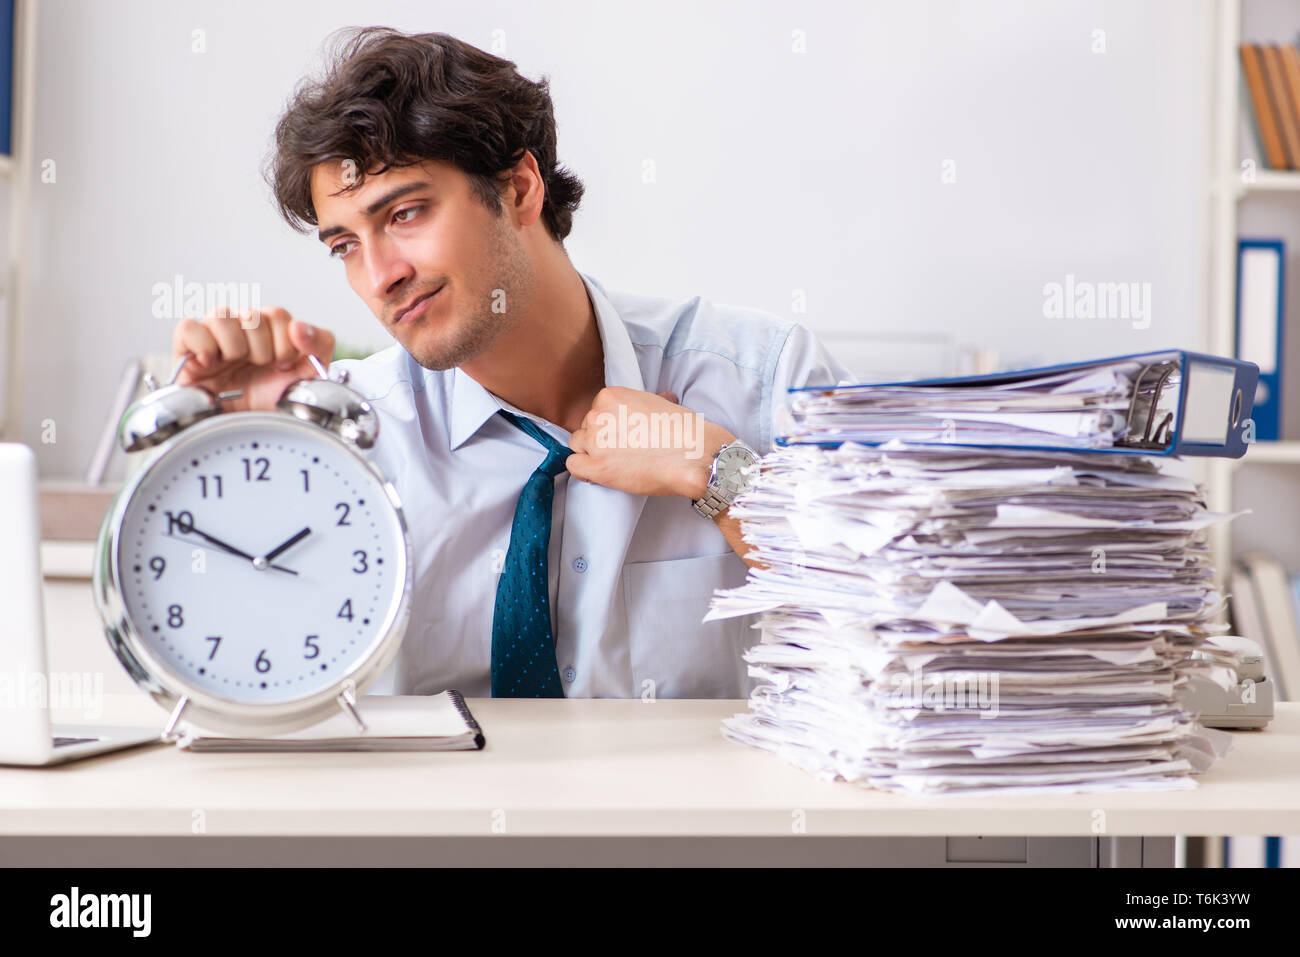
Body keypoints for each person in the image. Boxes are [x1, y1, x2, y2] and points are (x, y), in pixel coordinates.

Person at [170, 27, 847, 699]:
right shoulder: (350, 438)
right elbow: (240, 677)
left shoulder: (765, 381)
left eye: (405, 213)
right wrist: (225, 463)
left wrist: (721, 474)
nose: (380, 276)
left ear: (521, 188)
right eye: (345, 244)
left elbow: (904, 648)